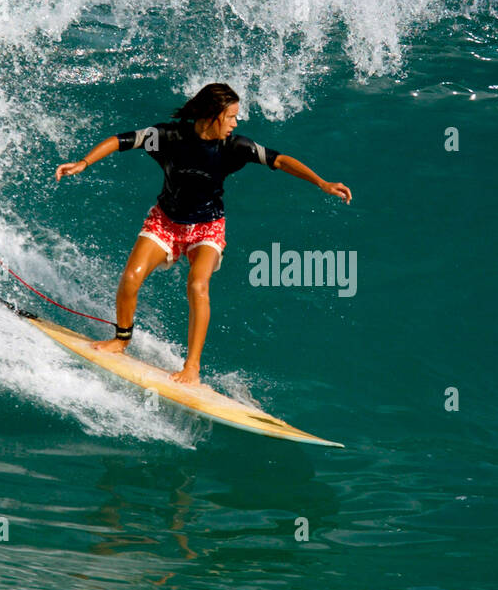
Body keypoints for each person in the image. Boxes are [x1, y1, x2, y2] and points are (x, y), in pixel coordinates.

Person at [55, 83, 352, 386]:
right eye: (232, 116)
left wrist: (322, 183)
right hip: (166, 221)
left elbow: (279, 160)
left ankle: (192, 367)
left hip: (207, 226)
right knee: (131, 277)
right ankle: (121, 340)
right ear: (213, 115)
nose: (235, 123)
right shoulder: (168, 137)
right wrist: (84, 163)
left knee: (198, 285)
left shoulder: (234, 147)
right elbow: (121, 140)